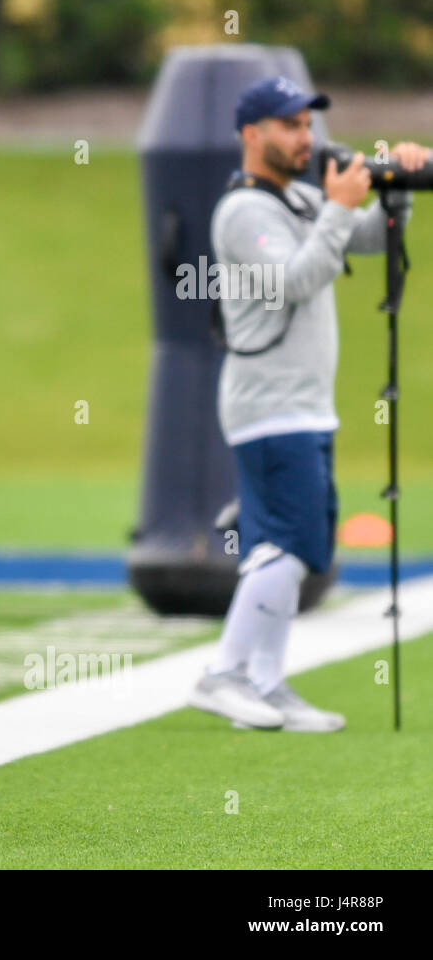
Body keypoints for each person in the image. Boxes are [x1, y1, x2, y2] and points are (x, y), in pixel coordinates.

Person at [188, 75, 428, 731]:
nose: (305, 137)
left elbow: (370, 241)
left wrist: (395, 191)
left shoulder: (296, 196)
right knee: (288, 541)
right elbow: (295, 279)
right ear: (251, 134)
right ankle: (224, 675)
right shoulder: (242, 212)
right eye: (290, 125)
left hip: (305, 404)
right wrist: (342, 204)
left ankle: (265, 681)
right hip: (268, 403)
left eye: (308, 123)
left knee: (294, 546)